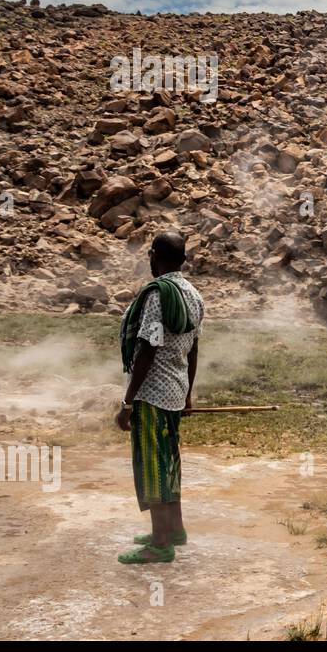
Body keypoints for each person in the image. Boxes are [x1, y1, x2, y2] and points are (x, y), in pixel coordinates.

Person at [114, 231, 204, 564]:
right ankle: (174, 529)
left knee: (152, 465)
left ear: (154, 255)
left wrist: (127, 402)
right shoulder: (192, 294)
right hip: (176, 391)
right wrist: (189, 393)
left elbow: (149, 348)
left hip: (152, 394)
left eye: (150, 254)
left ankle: (160, 543)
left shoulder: (157, 295)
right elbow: (193, 349)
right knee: (169, 462)